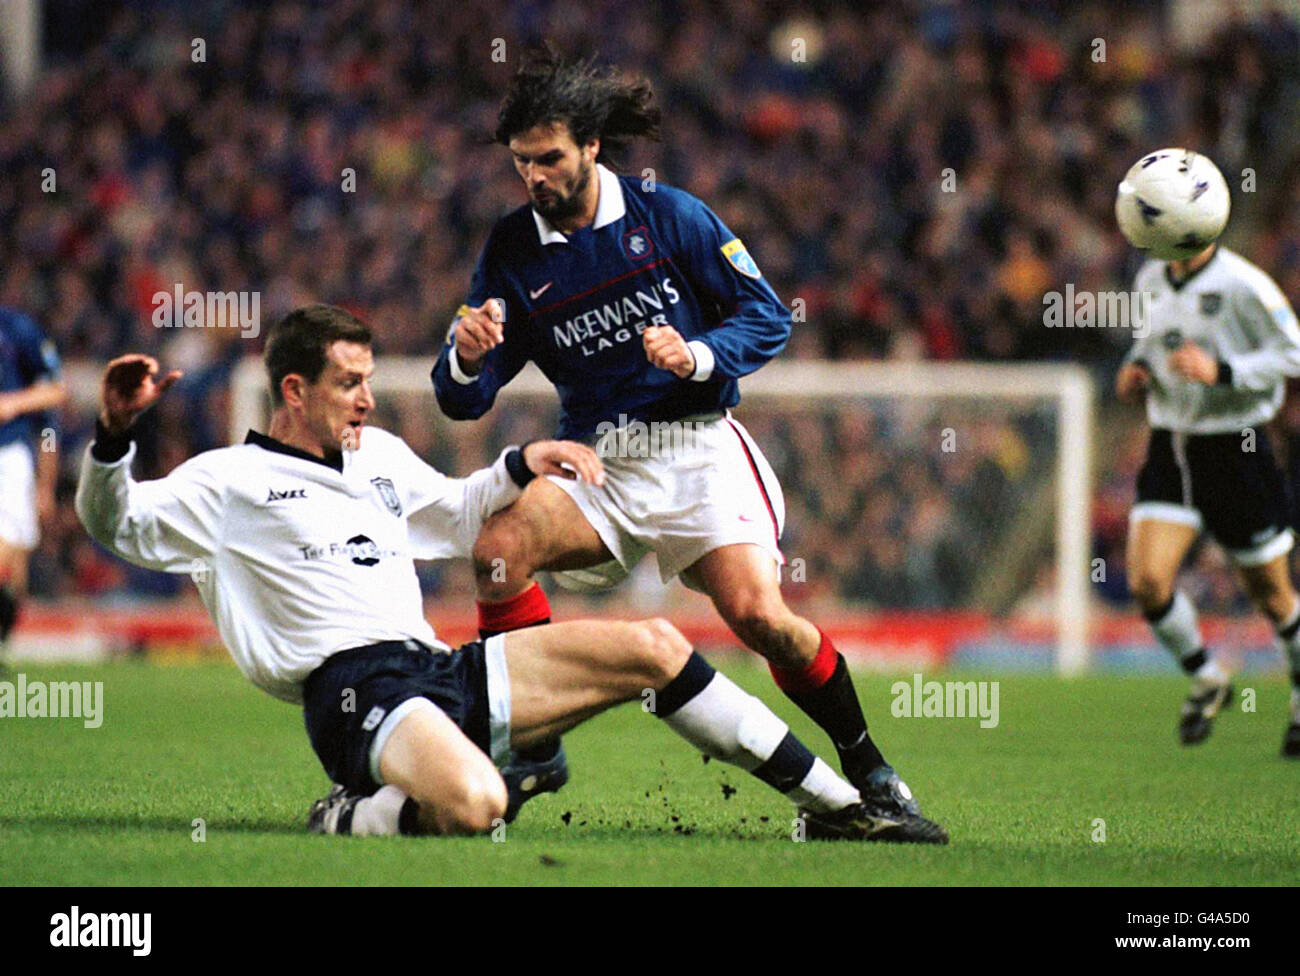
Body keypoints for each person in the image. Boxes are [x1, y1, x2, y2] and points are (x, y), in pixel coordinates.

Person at [77, 304, 947, 842]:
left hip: (435, 664)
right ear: (294, 391)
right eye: (348, 384)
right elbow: (118, 523)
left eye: (369, 379)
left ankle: (845, 808)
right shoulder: (228, 482)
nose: (368, 398)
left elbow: (458, 514)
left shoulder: (374, 454)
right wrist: (113, 441)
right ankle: (346, 811)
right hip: (354, 692)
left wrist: (523, 462)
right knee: (475, 806)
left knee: (654, 644)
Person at [430, 48, 937, 826]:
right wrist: (465, 360)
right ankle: (533, 750)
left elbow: (766, 315)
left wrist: (698, 354)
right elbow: (465, 396)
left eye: (550, 158)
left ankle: (867, 765)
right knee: (500, 550)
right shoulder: (511, 249)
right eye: (522, 162)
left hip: (697, 449)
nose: (534, 177)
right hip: (604, 462)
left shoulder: (669, 217)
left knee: (762, 620)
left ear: (592, 146)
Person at [1117, 241, 1300, 756]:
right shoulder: (1150, 277)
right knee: (1148, 582)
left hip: (1236, 446)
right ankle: (1207, 677)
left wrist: (1223, 372)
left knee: (1273, 595)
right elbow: (1147, 347)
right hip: (1171, 446)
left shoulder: (1245, 283)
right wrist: (1136, 374)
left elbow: (1293, 352)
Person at [0, 307, 65, 655]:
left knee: (15, 549)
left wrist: (46, 485)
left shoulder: (18, 329)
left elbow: (54, 402)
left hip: (9, 454)